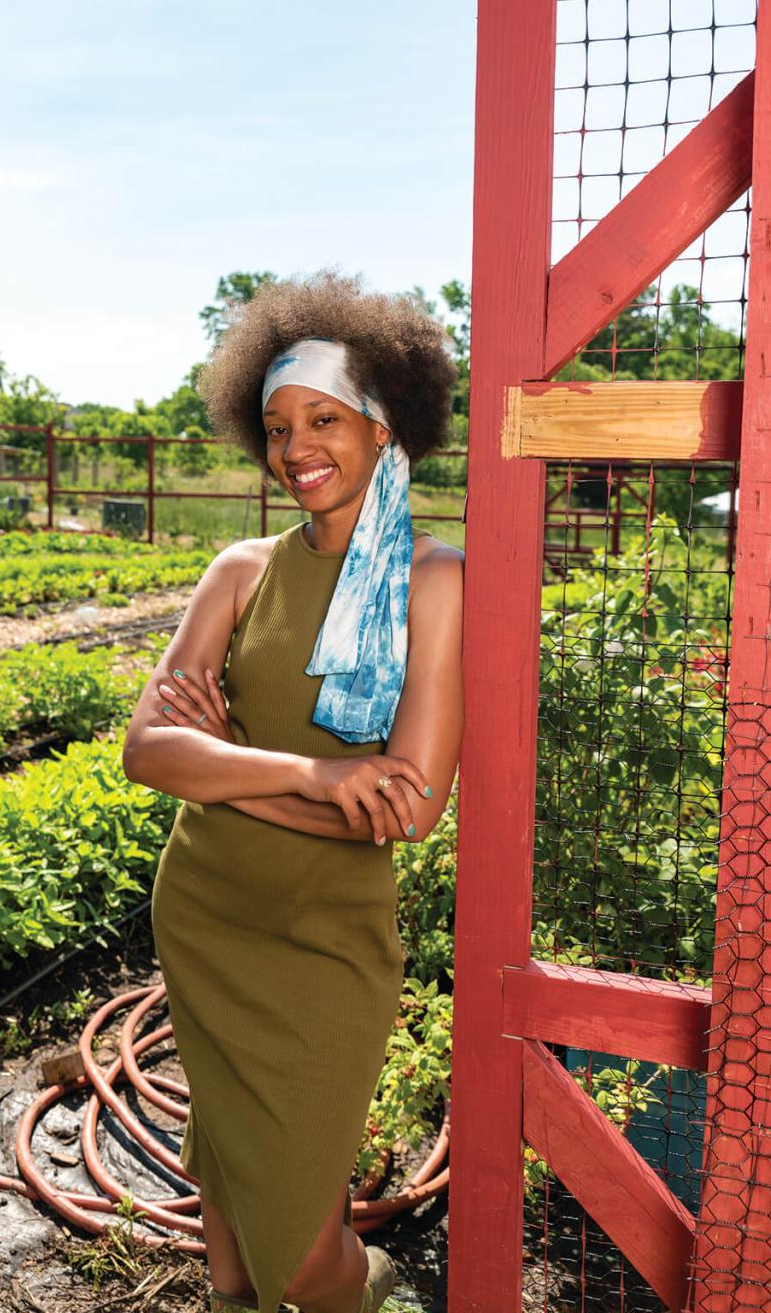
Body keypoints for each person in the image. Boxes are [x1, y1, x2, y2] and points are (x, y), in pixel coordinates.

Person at [123, 272, 465, 1313]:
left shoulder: (433, 580)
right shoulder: (239, 570)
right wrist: (315, 774)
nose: (295, 448)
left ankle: (367, 1285)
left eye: (323, 419)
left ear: (381, 428)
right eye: (277, 427)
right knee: (228, 1223)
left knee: (307, 1252)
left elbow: (407, 808)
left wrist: (225, 765)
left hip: (327, 938)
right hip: (207, 913)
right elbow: (148, 750)